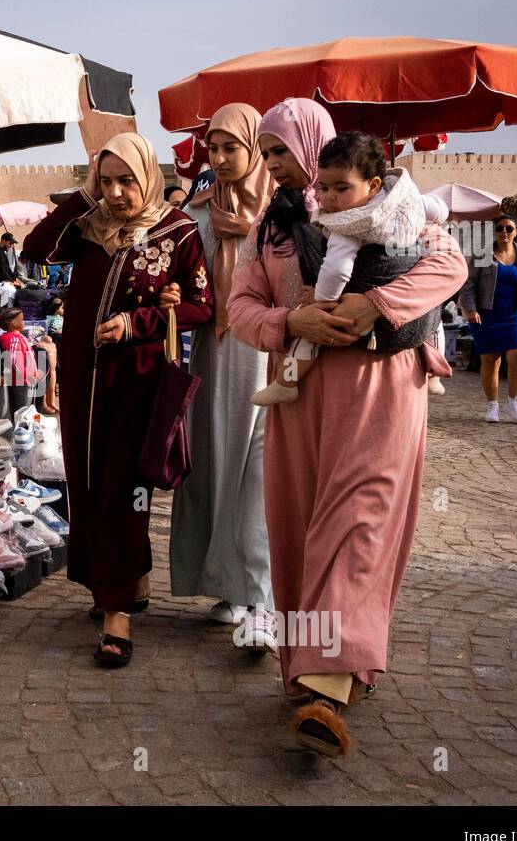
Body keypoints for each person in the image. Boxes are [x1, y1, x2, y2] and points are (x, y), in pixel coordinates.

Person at [225, 98, 467, 756]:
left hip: (382, 389)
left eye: (281, 151)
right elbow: (240, 307)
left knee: (359, 522)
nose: (273, 165)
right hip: (299, 397)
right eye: (268, 152)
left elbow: (449, 266)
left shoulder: (394, 209)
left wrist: (374, 303)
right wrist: (288, 324)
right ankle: (326, 666)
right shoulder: (269, 231)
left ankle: (328, 684)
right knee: (301, 528)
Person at [20, 133, 212, 667]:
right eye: (106, 181)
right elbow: (34, 251)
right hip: (84, 377)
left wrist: (139, 322)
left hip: (136, 379)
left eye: (126, 180)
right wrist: (83, 199)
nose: (117, 193)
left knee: (122, 486)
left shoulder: (177, 233)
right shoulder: (88, 230)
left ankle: (117, 613)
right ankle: (130, 582)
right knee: (84, 480)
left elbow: (201, 306)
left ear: (149, 176)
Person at [164, 104, 278, 653]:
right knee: (213, 465)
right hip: (214, 354)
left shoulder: (284, 209)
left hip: (268, 355)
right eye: (214, 148)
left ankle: (261, 597)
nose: (222, 158)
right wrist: (173, 296)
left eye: (233, 147)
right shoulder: (200, 213)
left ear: (254, 147)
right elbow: (185, 280)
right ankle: (229, 586)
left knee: (258, 474)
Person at [251, 131, 451, 405]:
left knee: (309, 335)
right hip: (396, 330)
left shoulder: (347, 224)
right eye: (325, 188)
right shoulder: (406, 201)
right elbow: (437, 207)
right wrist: (438, 217)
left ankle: (287, 381)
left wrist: (320, 300)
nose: (331, 198)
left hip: (375, 352)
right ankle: (435, 372)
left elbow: (337, 271)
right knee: (431, 318)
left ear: (372, 185)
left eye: (341, 188)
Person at [459, 214, 517, 422]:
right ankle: (492, 406)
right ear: (494, 231)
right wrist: (470, 310)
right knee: (490, 360)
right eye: (500, 228)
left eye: (509, 228)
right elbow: (467, 285)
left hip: (515, 314)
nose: (504, 232)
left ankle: (513, 402)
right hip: (486, 314)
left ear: (516, 232)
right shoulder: (482, 255)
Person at [0, 307, 58, 415]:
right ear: (12, 322)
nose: (23, 322)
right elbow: (15, 361)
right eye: (21, 320)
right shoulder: (13, 339)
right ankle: (20, 429)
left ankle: (24, 428)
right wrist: (28, 376)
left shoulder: (16, 337)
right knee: (22, 411)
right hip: (21, 381)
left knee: (26, 410)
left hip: (25, 379)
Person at [0, 232, 23, 313]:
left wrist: (15, 278)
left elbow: (8, 269)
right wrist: (12, 281)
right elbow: (2, 271)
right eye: (10, 243)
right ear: (4, 241)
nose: (11, 246)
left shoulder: (1, 252)